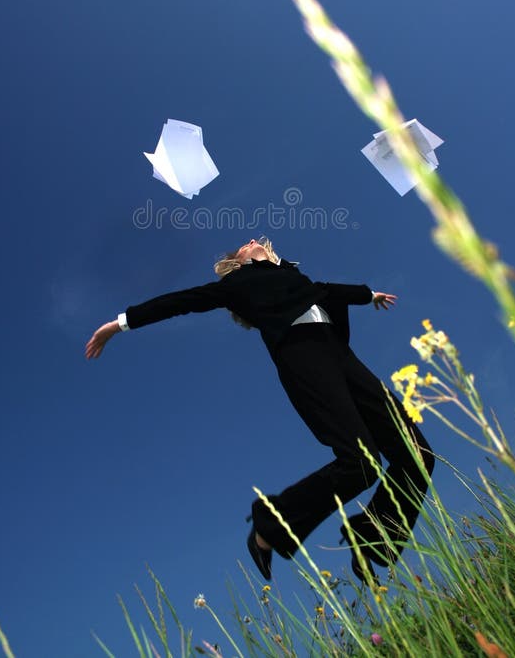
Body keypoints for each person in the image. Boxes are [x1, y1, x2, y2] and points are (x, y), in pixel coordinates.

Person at [85, 237, 434, 583]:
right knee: (361, 463)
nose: (251, 240)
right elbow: (181, 302)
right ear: (238, 262)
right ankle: (270, 525)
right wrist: (120, 323)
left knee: (417, 454)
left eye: (254, 240)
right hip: (303, 357)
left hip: (341, 356)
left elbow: (328, 291)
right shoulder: (237, 284)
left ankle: (373, 538)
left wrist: (368, 295)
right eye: (243, 245)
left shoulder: (297, 277)